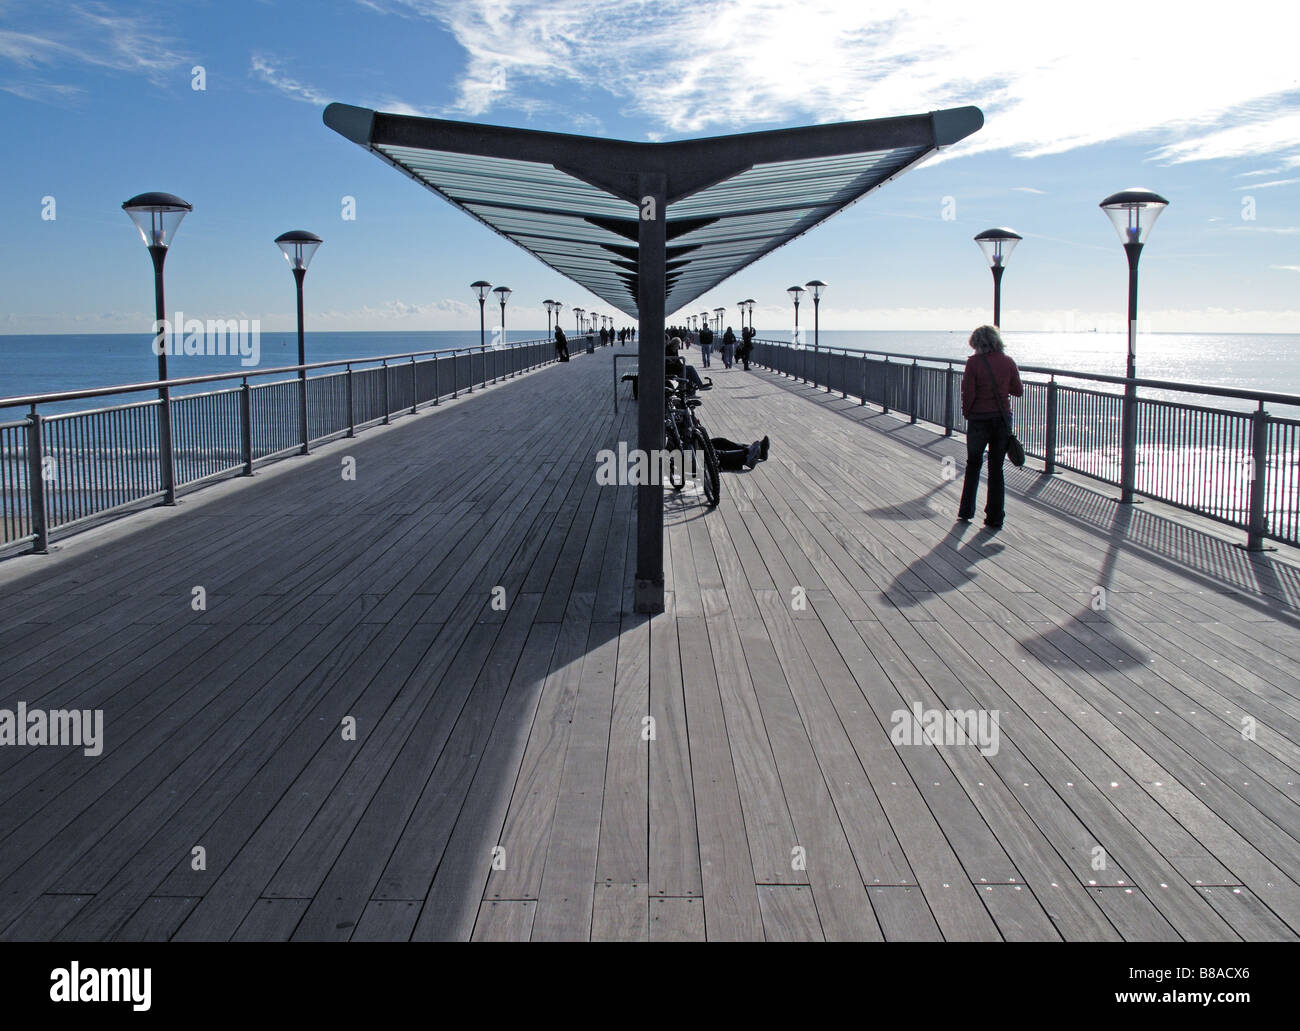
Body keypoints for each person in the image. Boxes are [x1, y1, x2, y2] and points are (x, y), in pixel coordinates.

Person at [958, 324, 1022, 528]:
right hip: (1002, 420)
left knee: (973, 464)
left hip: (978, 420)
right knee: (996, 469)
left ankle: (967, 511)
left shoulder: (974, 363)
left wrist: (968, 413)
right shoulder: (1008, 362)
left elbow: (968, 393)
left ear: (976, 343)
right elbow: (1018, 390)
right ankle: (995, 517)